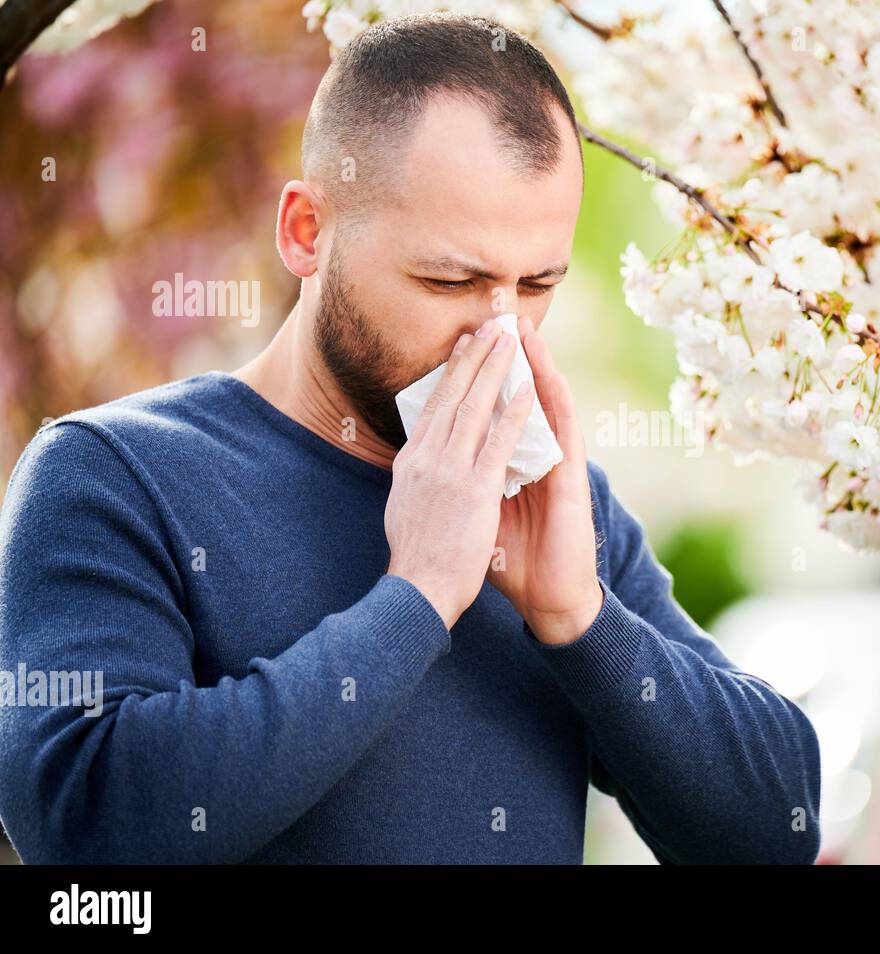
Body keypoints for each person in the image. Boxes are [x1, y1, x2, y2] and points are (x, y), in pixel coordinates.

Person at [0, 13, 821, 864]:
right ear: (306, 233)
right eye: (450, 280)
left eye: (536, 284)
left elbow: (776, 831)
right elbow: (85, 823)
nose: (497, 333)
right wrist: (417, 596)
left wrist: (580, 617)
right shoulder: (114, 476)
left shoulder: (553, 508)